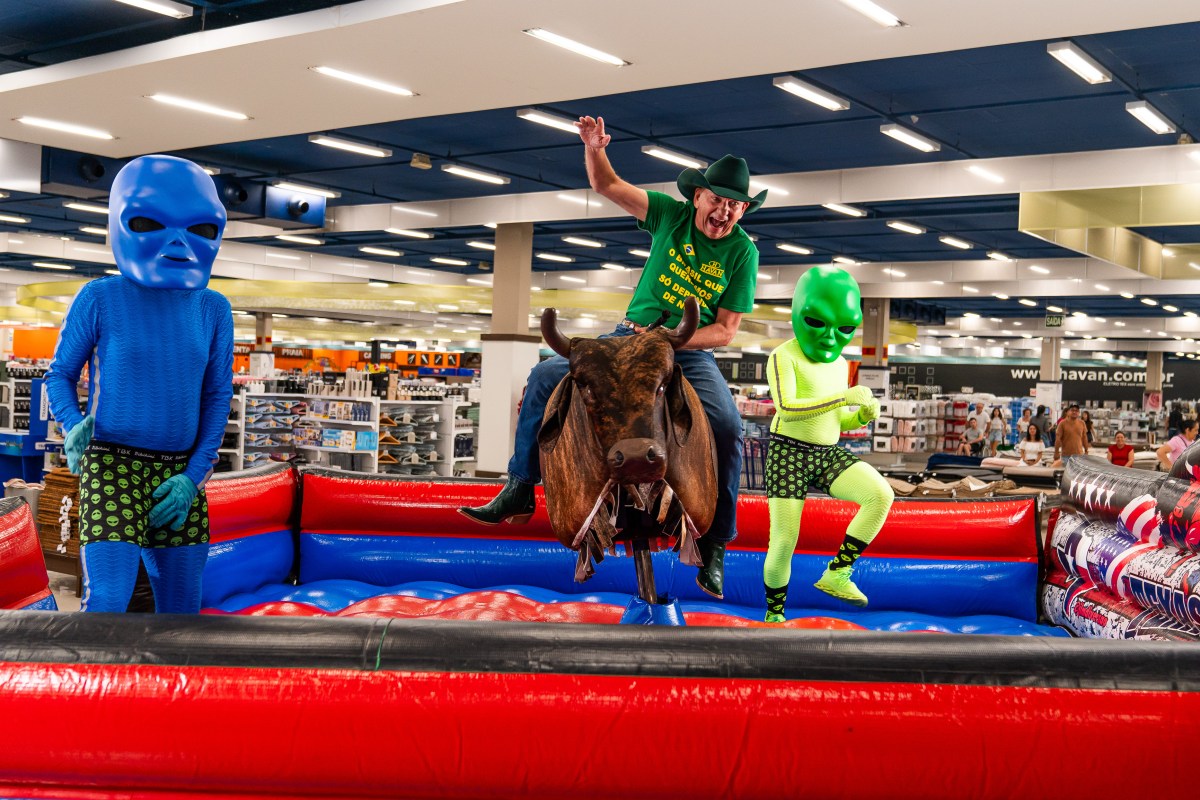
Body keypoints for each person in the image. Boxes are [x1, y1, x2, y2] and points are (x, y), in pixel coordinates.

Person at [460, 116, 762, 600]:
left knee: (729, 425)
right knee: (545, 375)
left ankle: (716, 543)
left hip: (684, 350)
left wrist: (672, 340)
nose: (723, 211)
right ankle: (519, 485)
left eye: (734, 204)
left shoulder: (743, 252)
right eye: (716, 199)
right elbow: (607, 185)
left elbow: (726, 330)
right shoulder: (668, 215)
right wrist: (594, 148)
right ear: (697, 198)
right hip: (627, 338)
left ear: (743, 209)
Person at [45, 155, 233, 614]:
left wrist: (193, 477)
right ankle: (96, 667)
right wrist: (72, 424)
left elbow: (216, 396)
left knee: (182, 607)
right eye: (149, 223)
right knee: (108, 601)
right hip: (112, 466)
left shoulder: (212, 308)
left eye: (200, 228)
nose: (177, 243)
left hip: (180, 471)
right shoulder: (100, 297)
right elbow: (60, 374)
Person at [762, 266, 892, 617]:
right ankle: (774, 614)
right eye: (817, 323)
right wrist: (842, 397)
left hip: (827, 452)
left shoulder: (840, 364)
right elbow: (787, 408)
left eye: (844, 328)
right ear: (797, 314)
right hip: (788, 452)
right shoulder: (784, 356)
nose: (830, 338)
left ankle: (838, 572)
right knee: (784, 540)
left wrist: (861, 416)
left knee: (880, 495)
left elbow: (836, 420)